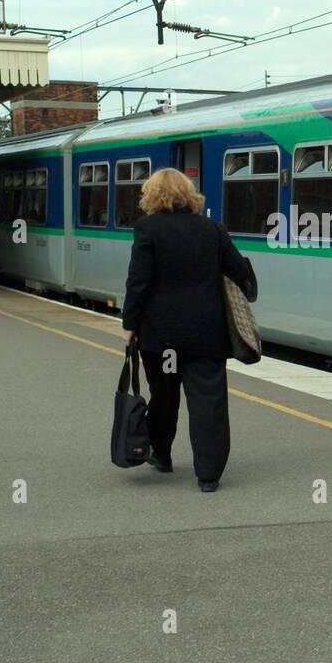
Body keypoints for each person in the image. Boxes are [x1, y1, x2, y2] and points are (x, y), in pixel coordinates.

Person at [121, 168, 254, 493]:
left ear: (152, 195)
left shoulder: (147, 229)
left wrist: (129, 325)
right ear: (187, 193)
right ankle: (208, 475)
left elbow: (138, 282)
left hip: (162, 337)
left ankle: (161, 455)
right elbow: (239, 271)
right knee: (209, 402)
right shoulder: (212, 229)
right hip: (206, 334)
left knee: (164, 397)